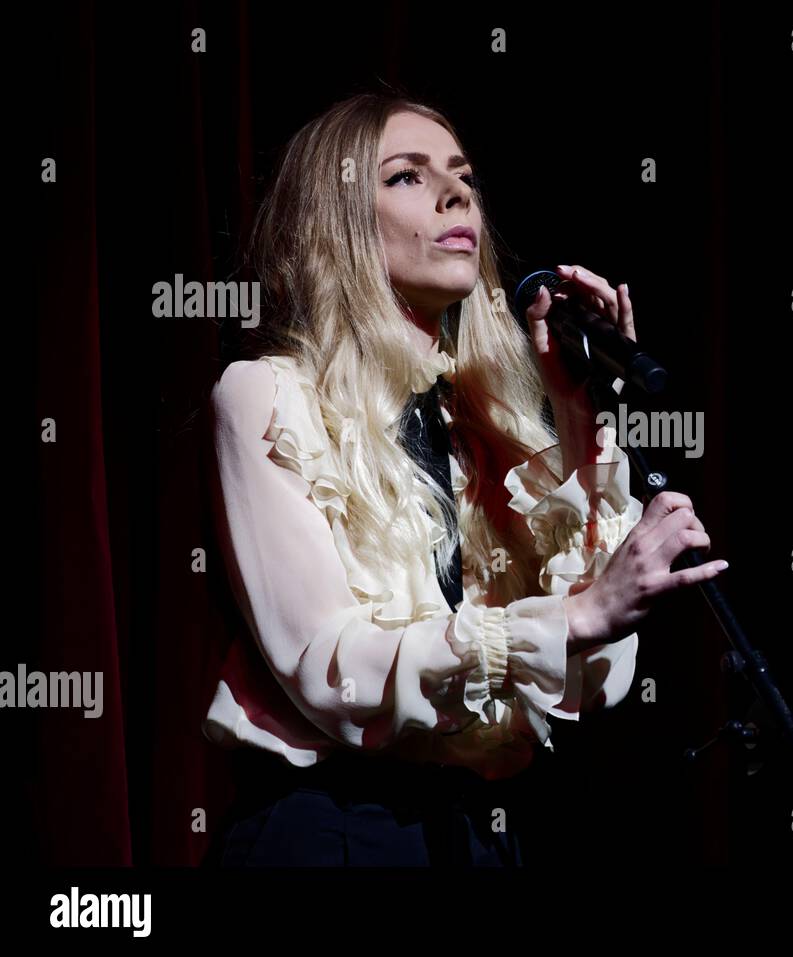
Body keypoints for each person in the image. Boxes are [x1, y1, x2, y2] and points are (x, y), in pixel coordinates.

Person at [198, 92, 727, 867]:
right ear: (336, 221)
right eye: (408, 177)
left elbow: (598, 683)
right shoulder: (266, 396)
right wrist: (575, 616)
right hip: (334, 833)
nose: (456, 194)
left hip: (476, 834)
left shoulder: (482, 425)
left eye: (464, 176)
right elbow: (329, 670)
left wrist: (579, 417)